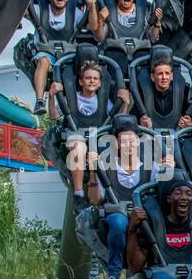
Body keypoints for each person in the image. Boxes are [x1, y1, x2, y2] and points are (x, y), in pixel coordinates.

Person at [86, 114, 171, 279]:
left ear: (138, 141)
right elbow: (96, 200)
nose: (129, 145)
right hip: (118, 213)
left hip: (143, 214)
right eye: (123, 141)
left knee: (156, 224)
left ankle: (159, 267)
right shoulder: (107, 166)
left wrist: (168, 168)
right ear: (116, 144)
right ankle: (114, 275)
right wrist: (93, 172)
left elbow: (164, 194)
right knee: (118, 223)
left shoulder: (151, 167)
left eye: (132, 140)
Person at [49, 60, 132, 206]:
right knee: (80, 148)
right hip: (75, 135)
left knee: (111, 148)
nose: (92, 81)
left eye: (95, 78)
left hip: (98, 136)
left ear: (100, 83)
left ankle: (107, 192)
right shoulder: (72, 98)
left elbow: (118, 121)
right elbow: (54, 116)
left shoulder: (104, 101)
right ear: (81, 81)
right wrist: (51, 96)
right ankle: (79, 193)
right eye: (88, 78)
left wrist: (125, 103)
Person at [29, 0, 96, 113]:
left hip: (67, 54)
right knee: (43, 61)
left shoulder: (75, 13)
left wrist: (91, 6)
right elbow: (21, 10)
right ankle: (40, 101)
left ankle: (71, 106)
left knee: (76, 68)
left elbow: (93, 26)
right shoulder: (41, 10)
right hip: (47, 53)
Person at [136, 48, 192, 130]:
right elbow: (132, 119)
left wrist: (189, 125)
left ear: (171, 76)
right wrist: (140, 122)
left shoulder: (182, 92)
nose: (164, 77)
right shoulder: (143, 93)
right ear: (152, 77)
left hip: (177, 135)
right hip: (150, 136)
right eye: (160, 74)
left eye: (167, 73)